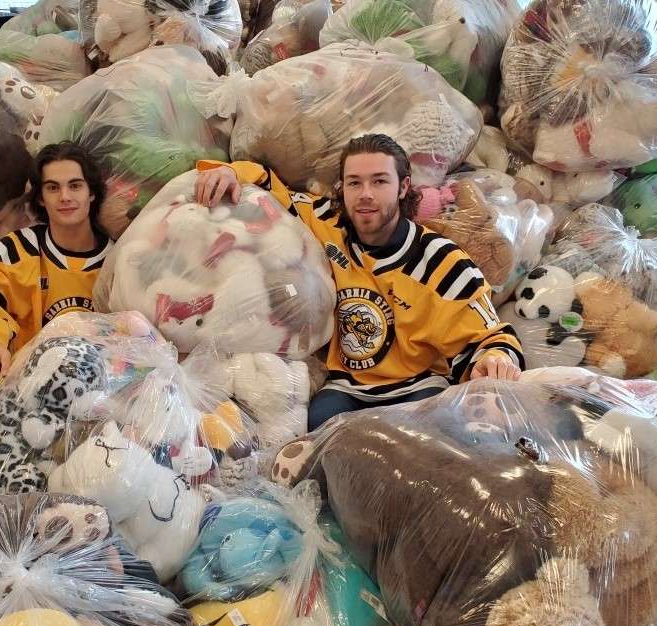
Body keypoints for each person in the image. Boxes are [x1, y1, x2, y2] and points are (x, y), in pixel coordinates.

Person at [194, 134, 524, 431]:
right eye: (354, 183)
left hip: (418, 387)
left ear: (404, 187)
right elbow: (271, 187)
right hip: (346, 386)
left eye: (379, 181)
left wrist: (496, 359)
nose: (365, 195)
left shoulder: (442, 262)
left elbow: (491, 338)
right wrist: (232, 173)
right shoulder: (326, 224)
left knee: (426, 444)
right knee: (317, 433)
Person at [0, 142, 112, 391]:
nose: (65, 196)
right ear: (40, 197)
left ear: (91, 193)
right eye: (53, 187)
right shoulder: (18, 249)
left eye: (75, 185)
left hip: (103, 393)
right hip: (23, 392)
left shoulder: (118, 259)